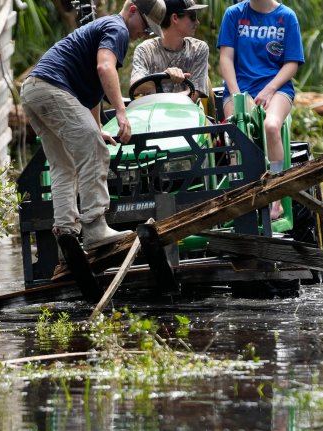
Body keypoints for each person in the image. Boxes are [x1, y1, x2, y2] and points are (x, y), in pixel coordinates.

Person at [20, 1, 165, 249]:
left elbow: (93, 92)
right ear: (131, 10)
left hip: (33, 91)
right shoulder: (117, 28)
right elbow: (104, 67)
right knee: (96, 151)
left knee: (64, 165)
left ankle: (66, 231)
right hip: (51, 87)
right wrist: (121, 111)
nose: (144, 34)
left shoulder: (104, 28)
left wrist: (97, 127)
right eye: (145, 26)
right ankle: (95, 227)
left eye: (150, 31)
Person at [216, 0, 304, 219]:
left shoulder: (287, 17)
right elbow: (226, 58)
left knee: (271, 126)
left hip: (276, 88)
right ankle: (240, 199)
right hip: (239, 88)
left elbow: (291, 63)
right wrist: (237, 96)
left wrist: (269, 89)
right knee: (236, 135)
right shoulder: (234, 14)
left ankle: (276, 197)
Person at [129, 0, 211, 103]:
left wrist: (165, 104)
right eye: (192, 17)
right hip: (153, 114)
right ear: (175, 18)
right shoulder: (145, 50)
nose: (197, 22)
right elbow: (135, 86)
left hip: (188, 113)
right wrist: (165, 76)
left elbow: (195, 93)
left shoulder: (199, 49)